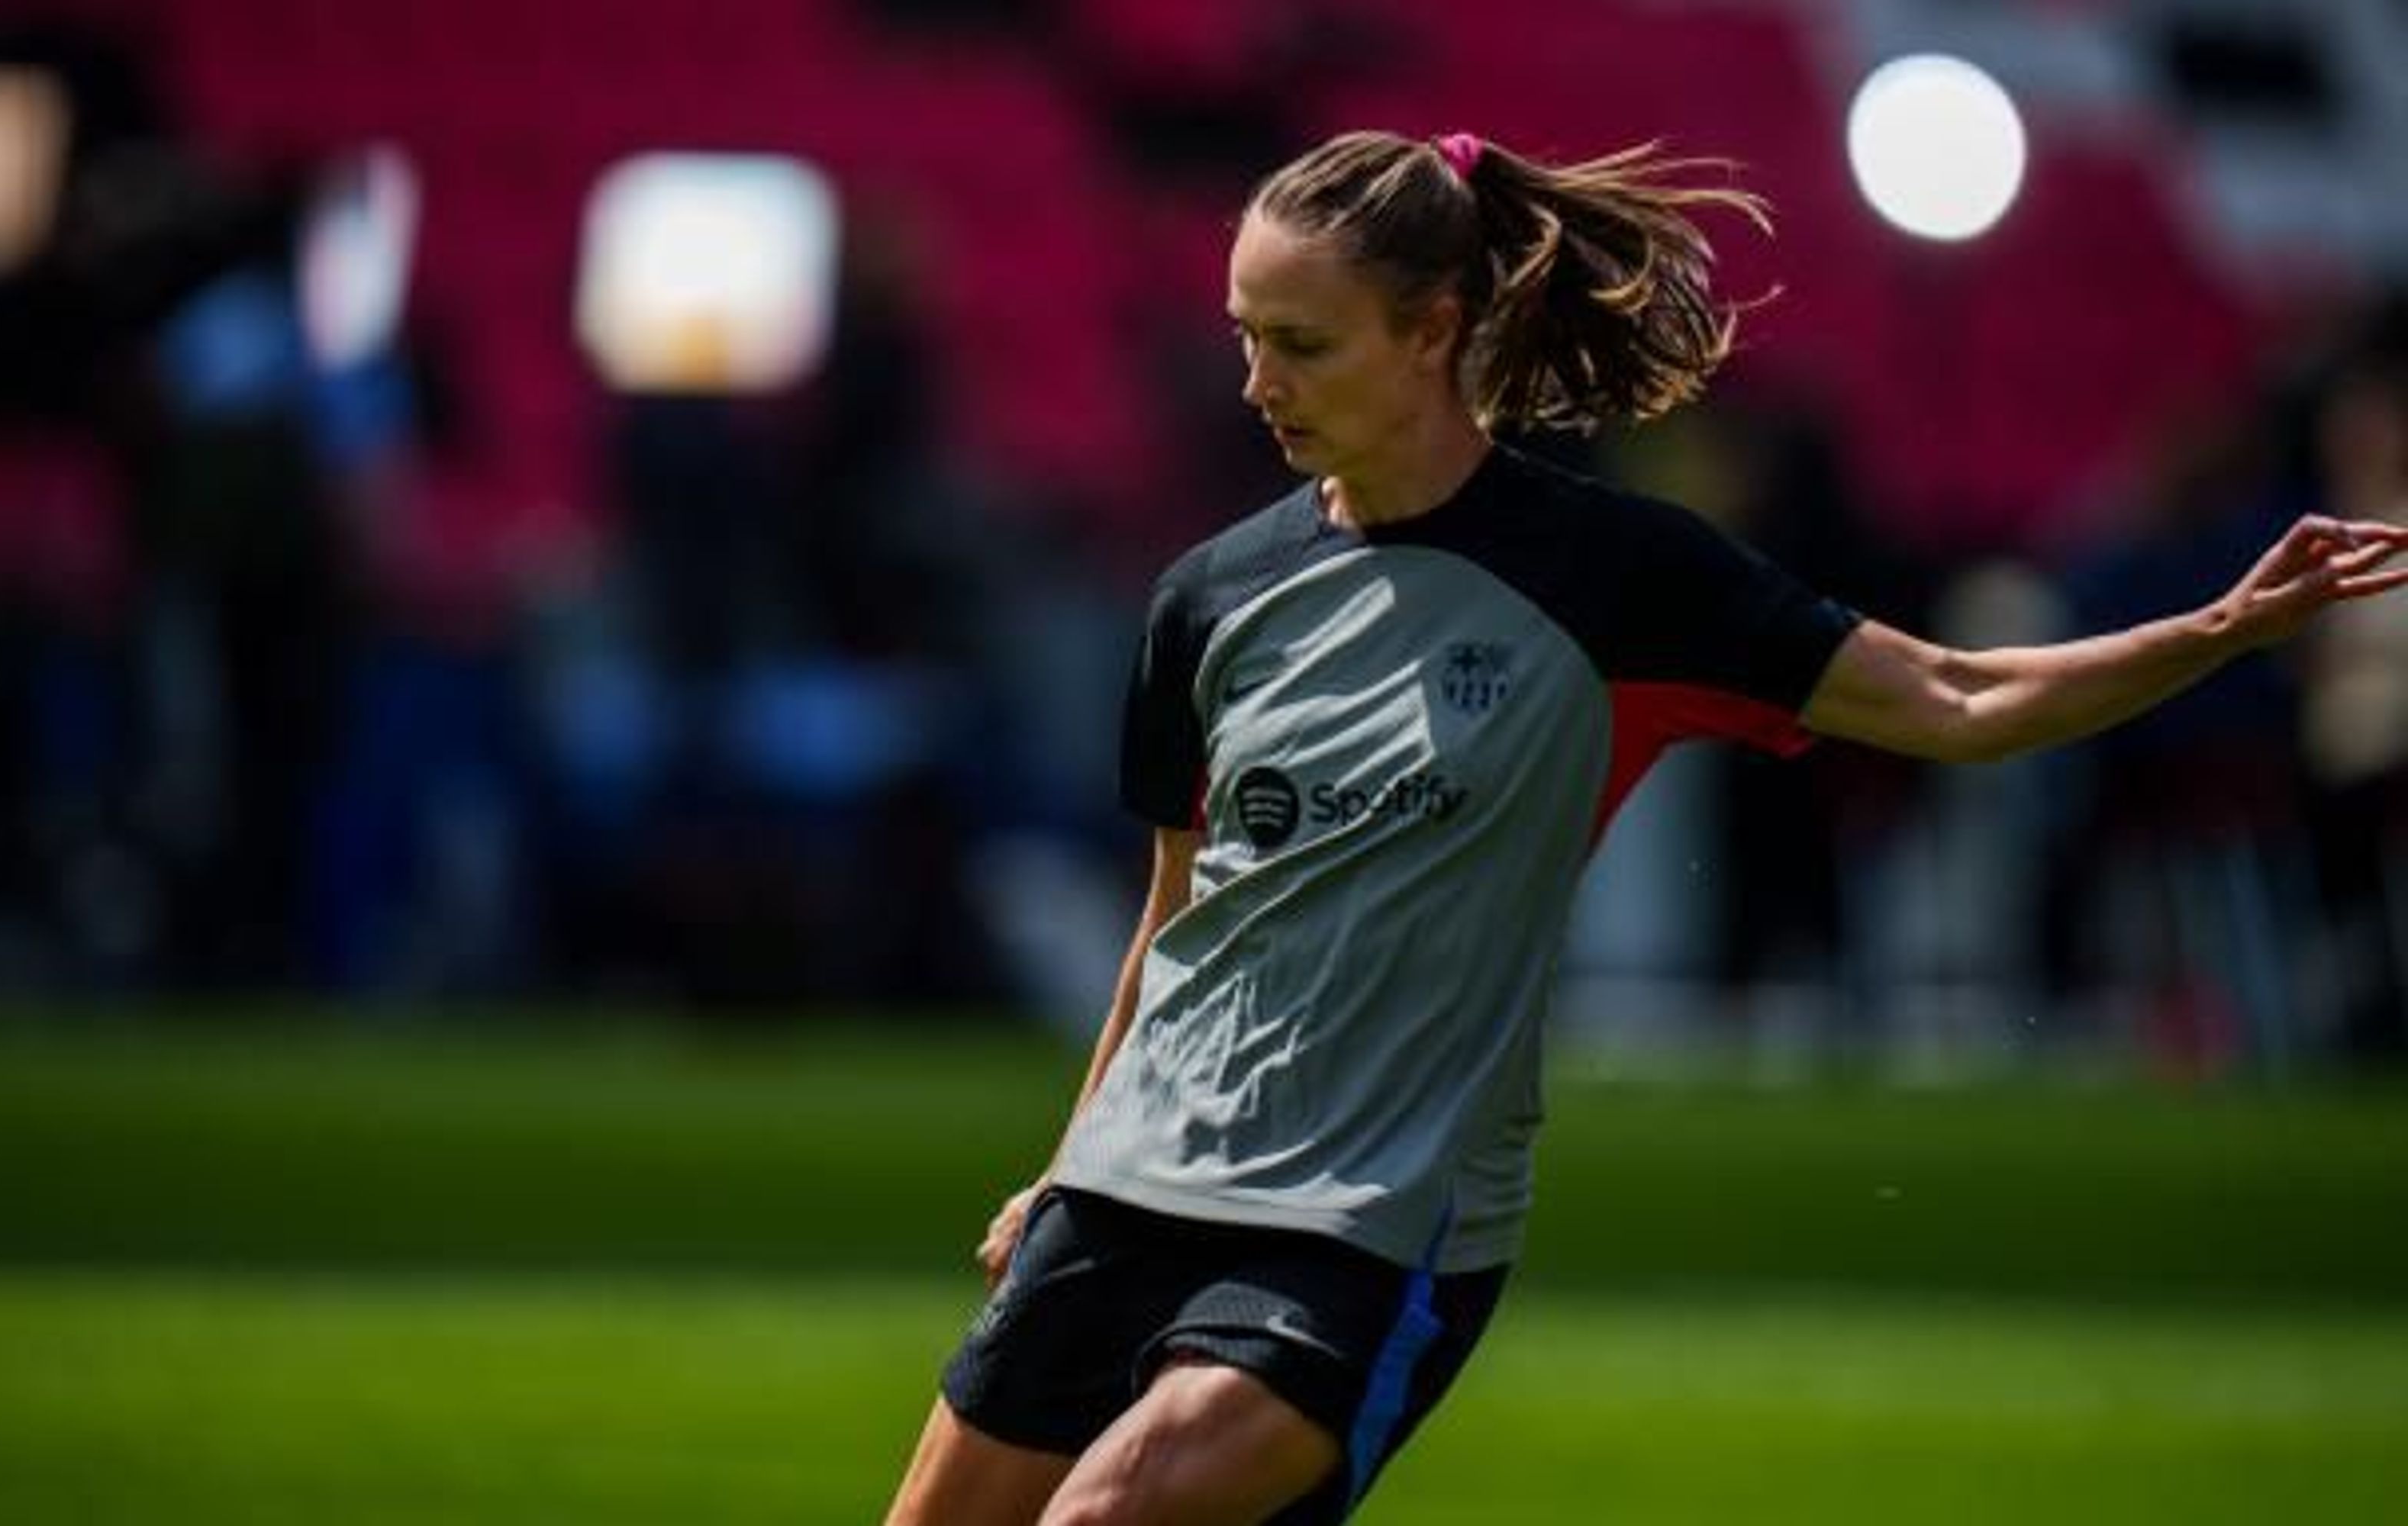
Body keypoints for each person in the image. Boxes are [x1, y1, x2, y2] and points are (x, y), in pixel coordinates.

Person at [882, 130, 2408, 1526]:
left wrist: (2219, 627)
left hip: (1364, 1221)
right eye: (1244, 336)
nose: (1256, 383)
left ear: (1434, 329)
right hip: (1130, 1184)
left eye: (1301, 342)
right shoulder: (1208, 597)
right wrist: (1066, 1168)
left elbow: (1956, 697)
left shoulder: (1614, 579)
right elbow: (1177, 919)